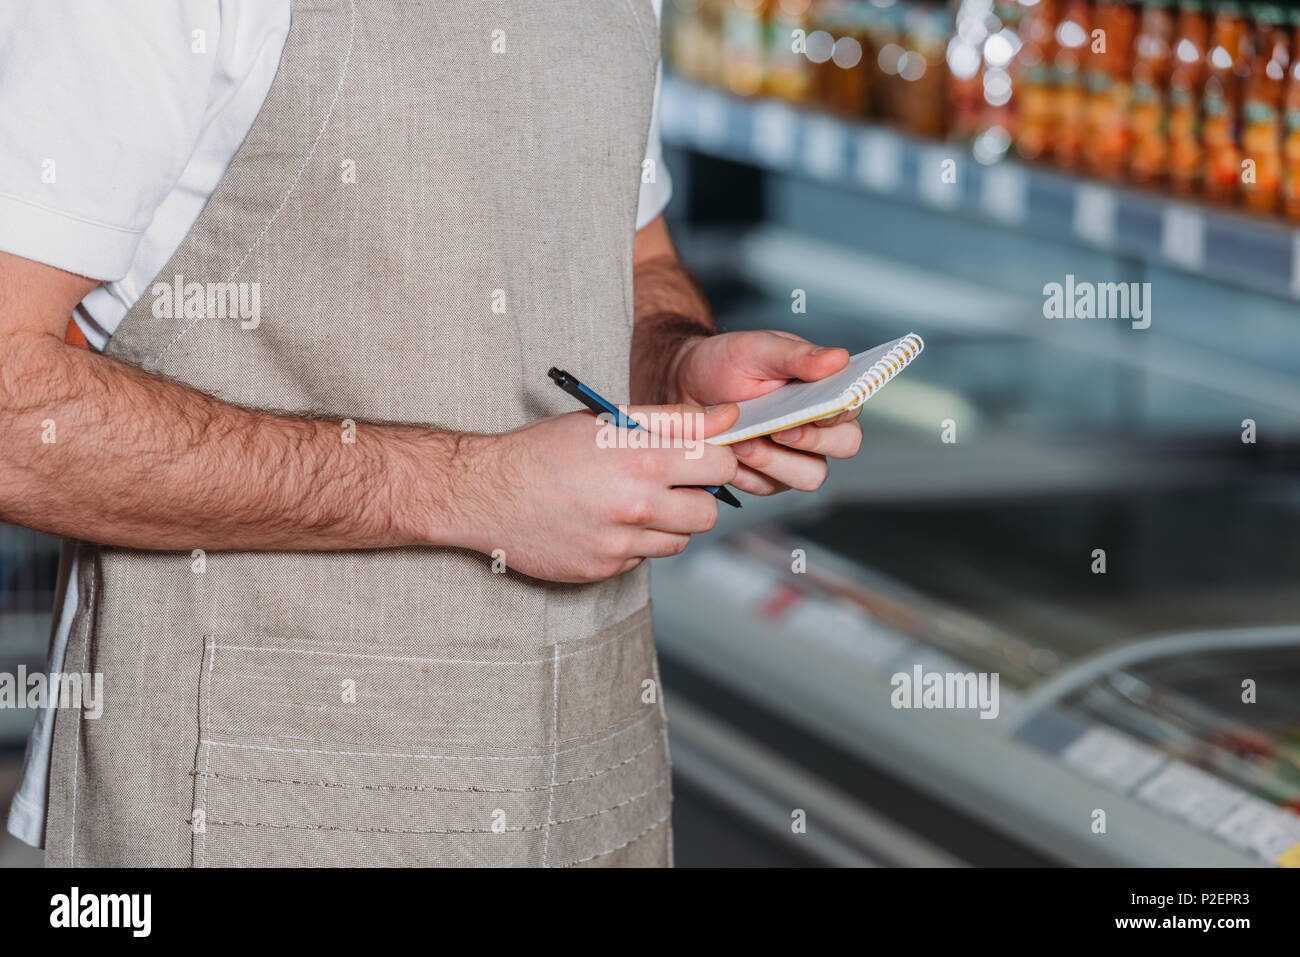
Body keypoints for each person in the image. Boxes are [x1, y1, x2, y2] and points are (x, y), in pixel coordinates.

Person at [0, 0, 864, 866]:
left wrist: (675, 364)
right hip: (258, 798)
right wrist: (470, 490)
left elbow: (631, 258)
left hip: (587, 778)